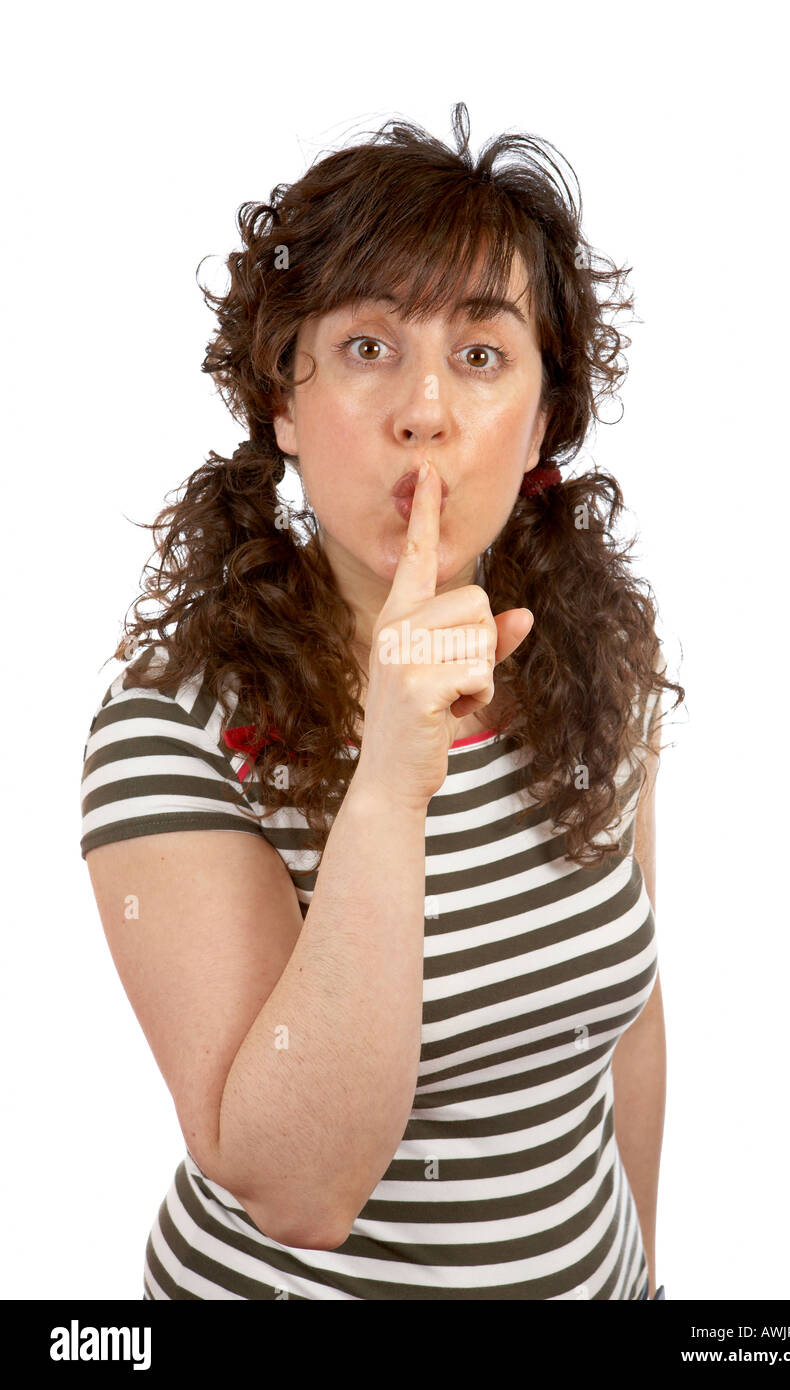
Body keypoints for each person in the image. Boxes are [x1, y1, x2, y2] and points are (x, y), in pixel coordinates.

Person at [80, 103, 683, 1300]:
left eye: (478, 352)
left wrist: (644, 1280)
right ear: (283, 406)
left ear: (544, 416)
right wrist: (392, 779)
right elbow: (299, 1190)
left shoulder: (596, 660)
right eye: (366, 348)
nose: (425, 410)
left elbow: (624, 1028)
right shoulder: (167, 731)